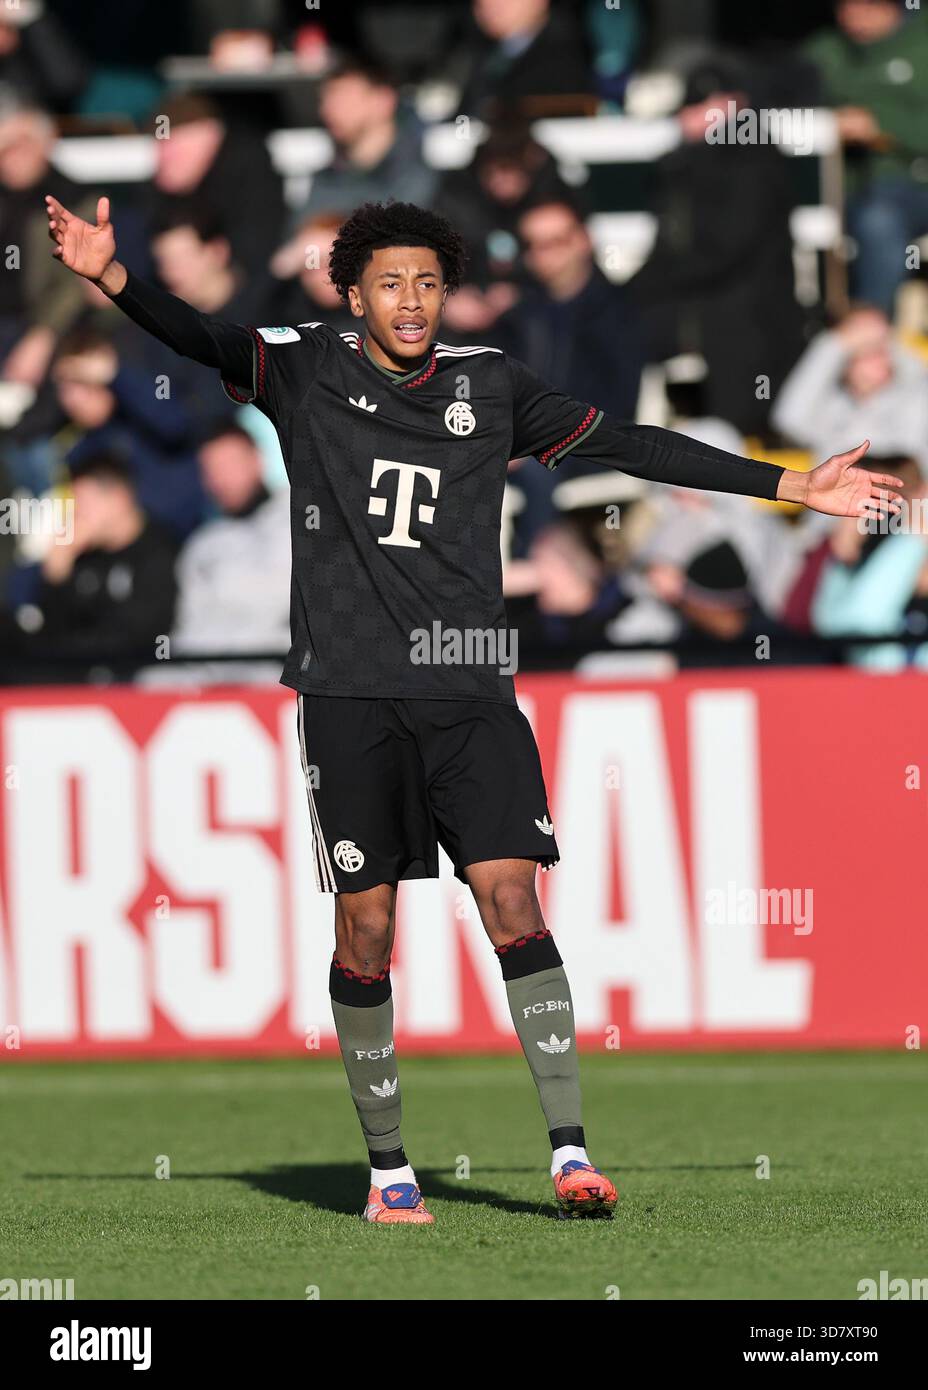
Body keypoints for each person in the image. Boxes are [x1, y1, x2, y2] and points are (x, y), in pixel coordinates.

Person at [45, 191, 902, 1225]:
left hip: (468, 690)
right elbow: (198, 334)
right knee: (366, 931)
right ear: (351, 292)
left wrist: (791, 484)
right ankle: (389, 1168)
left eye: (427, 284)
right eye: (390, 284)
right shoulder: (304, 364)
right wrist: (112, 277)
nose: (411, 302)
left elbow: (630, 443)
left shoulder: (489, 385)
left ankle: (571, 1153)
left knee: (512, 897)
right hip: (349, 695)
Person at [804, 0, 928, 314]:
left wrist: (880, 126)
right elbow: (785, 105)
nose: (854, 18)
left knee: (879, 220)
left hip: (915, 185)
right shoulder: (826, 50)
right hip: (849, 189)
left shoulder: (921, 40)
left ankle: (871, 330)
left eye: (866, 8)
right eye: (845, 8)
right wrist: (831, 124)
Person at [19, 450, 177, 660]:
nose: (76, 514)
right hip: (76, 676)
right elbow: (53, 633)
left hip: (135, 679)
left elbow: (142, 639)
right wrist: (56, 577)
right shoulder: (84, 557)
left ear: (120, 498)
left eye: (84, 503)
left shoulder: (159, 553)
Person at [172, 422, 291, 657]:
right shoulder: (201, 545)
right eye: (212, 470)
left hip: (278, 674)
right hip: (213, 677)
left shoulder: (301, 517)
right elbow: (189, 630)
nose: (222, 479)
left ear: (257, 461)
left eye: (230, 465)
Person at [771, 305, 928, 475]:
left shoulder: (914, 395)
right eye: (866, 349)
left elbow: (920, 378)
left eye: (883, 346)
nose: (880, 355)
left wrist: (892, 342)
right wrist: (834, 344)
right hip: (841, 498)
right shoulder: (829, 406)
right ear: (843, 362)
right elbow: (788, 419)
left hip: (906, 498)